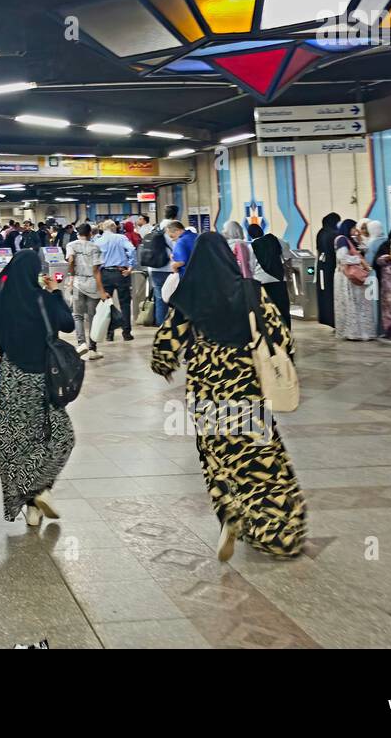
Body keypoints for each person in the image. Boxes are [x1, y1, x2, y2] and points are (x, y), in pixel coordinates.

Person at [150, 232, 307, 560]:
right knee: (260, 459)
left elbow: (165, 347)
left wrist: (165, 364)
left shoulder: (188, 295)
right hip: (244, 386)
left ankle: (229, 512)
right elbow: (281, 338)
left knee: (216, 455)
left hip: (206, 386)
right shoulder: (250, 290)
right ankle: (276, 535)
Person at [0, 249, 76, 526]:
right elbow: (69, 324)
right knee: (59, 437)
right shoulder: (43, 300)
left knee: (18, 443)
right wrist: (56, 292)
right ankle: (40, 492)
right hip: (43, 380)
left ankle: (33, 497)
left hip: (12, 378)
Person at [66, 222, 105, 359]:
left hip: (77, 283)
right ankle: (92, 349)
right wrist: (102, 291)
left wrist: (71, 277)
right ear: (90, 234)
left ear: (77, 233)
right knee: (92, 317)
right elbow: (96, 271)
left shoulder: (71, 245)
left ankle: (81, 344)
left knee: (78, 316)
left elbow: (70, 261)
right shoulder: (95, 247)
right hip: (92, 285)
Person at [334, 219, 377, 341]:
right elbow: (342, 258)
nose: (355, 231)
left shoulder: (348, 240)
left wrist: (358, 239)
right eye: (353, 228)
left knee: (357, 303)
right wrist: (360, 261)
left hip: (348, 275)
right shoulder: (342, 239)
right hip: (347, 276)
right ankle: (354, 332)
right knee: (353, 302)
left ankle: (358, 331)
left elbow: (363, 249)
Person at [94, 219, 135, 341]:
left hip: (105, 273)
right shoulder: (121, 238)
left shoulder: (98, 241)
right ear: (114, 228)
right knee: (125, 303)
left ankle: (109, 333)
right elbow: (132, 250)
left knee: (107, 303)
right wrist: (130, 267)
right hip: (121, 272)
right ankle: (126, 333)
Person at [247, 223, 291, 326]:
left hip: (262, 282)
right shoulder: (275, 240)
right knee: (282, 308)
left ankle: (273, 334)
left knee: (267, 310)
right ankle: (286, 330)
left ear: (250, 235)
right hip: (279, 279)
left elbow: (251, 266)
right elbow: (287, 254)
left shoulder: (251, 247)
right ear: (262, 231)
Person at [365, 219, 391, 340]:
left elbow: (372, 262)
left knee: (389, 306)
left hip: (386, 281)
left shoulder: (382, 244)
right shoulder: (385, 244)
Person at [140, 217, 174, 325]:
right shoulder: (169, 233)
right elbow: (175, 249)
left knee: (159, 298)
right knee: (173, 296)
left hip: (154, 269)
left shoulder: (152, 231)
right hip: (168, 268)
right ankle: (174, 322)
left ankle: (160, 324)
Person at [315, 213, 341, 329]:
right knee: (332, 292)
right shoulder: (334, 235)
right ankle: (333, 318)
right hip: (332, 266)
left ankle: (325, 317)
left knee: (324, 291)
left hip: (322, 266)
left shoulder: (321, 233)